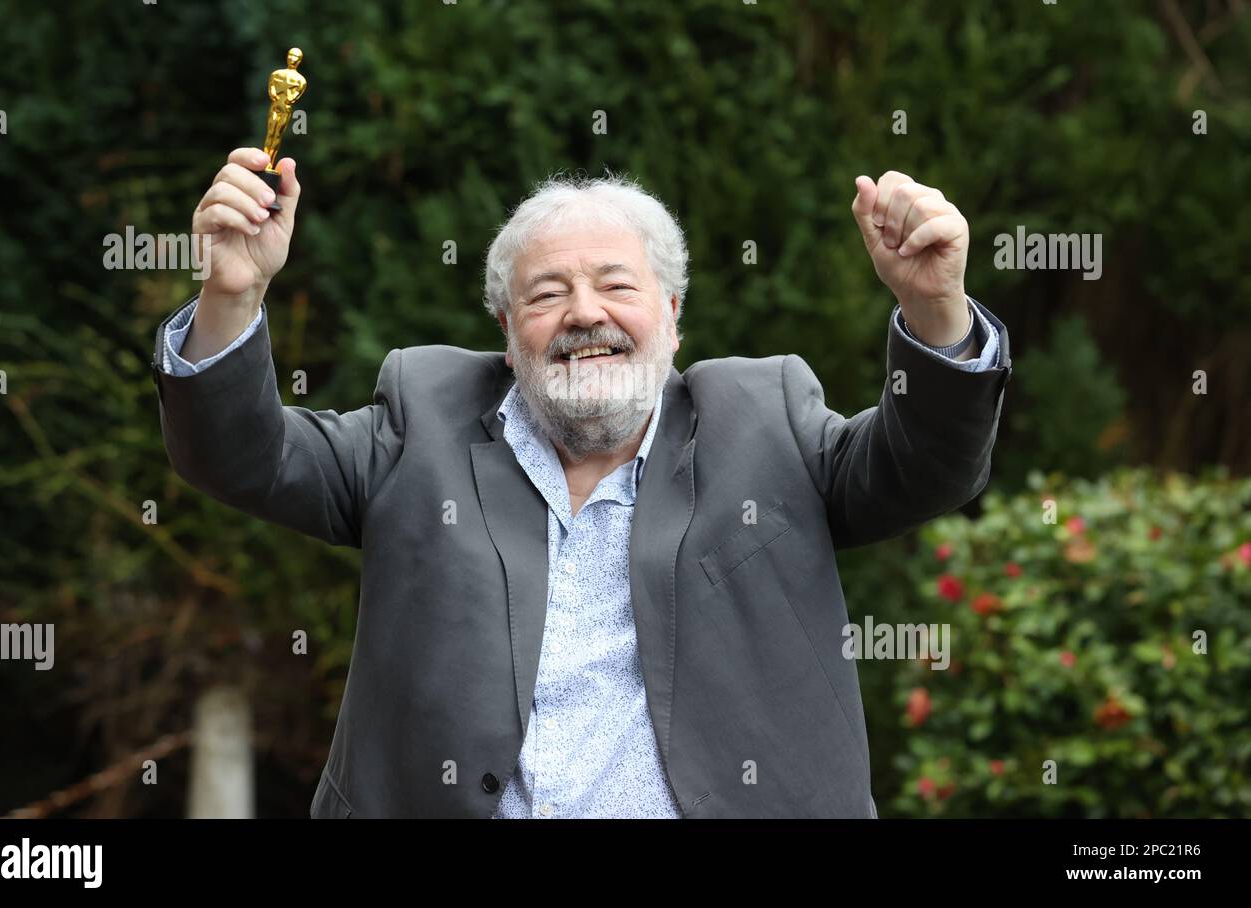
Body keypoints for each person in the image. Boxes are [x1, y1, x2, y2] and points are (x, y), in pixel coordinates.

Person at [152, 148, 1012, 818]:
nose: (585, 315)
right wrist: (232, 294)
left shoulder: (766, 419)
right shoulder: (421, 423)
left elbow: (926, 469)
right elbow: (241, 457)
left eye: (615, 285)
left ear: (673, 315)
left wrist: (937, 310)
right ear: (505, 328)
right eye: (547, 293)